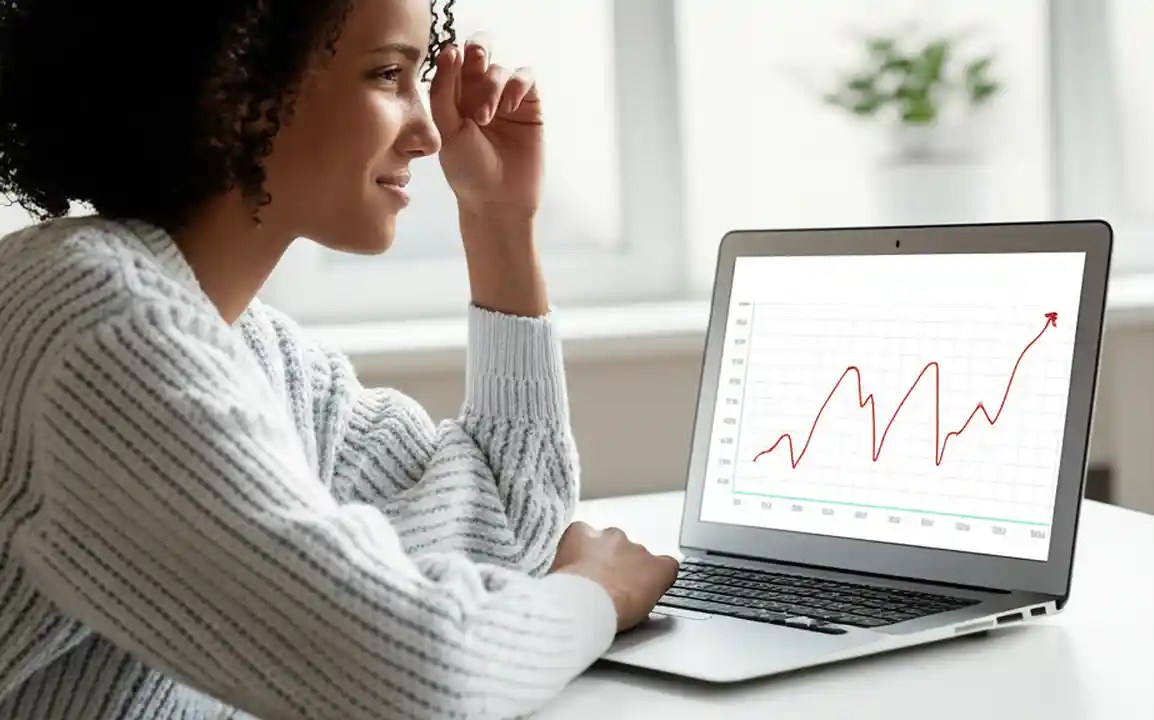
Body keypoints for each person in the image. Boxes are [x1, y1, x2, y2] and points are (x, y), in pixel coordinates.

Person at [0, 0, 680, 717]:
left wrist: (499, 221)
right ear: (240, 88)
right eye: (388, 74)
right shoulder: (99, 335)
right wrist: (596, 596)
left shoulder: (253, 349)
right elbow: (417, 677)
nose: (426, 134)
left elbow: (509, 533)